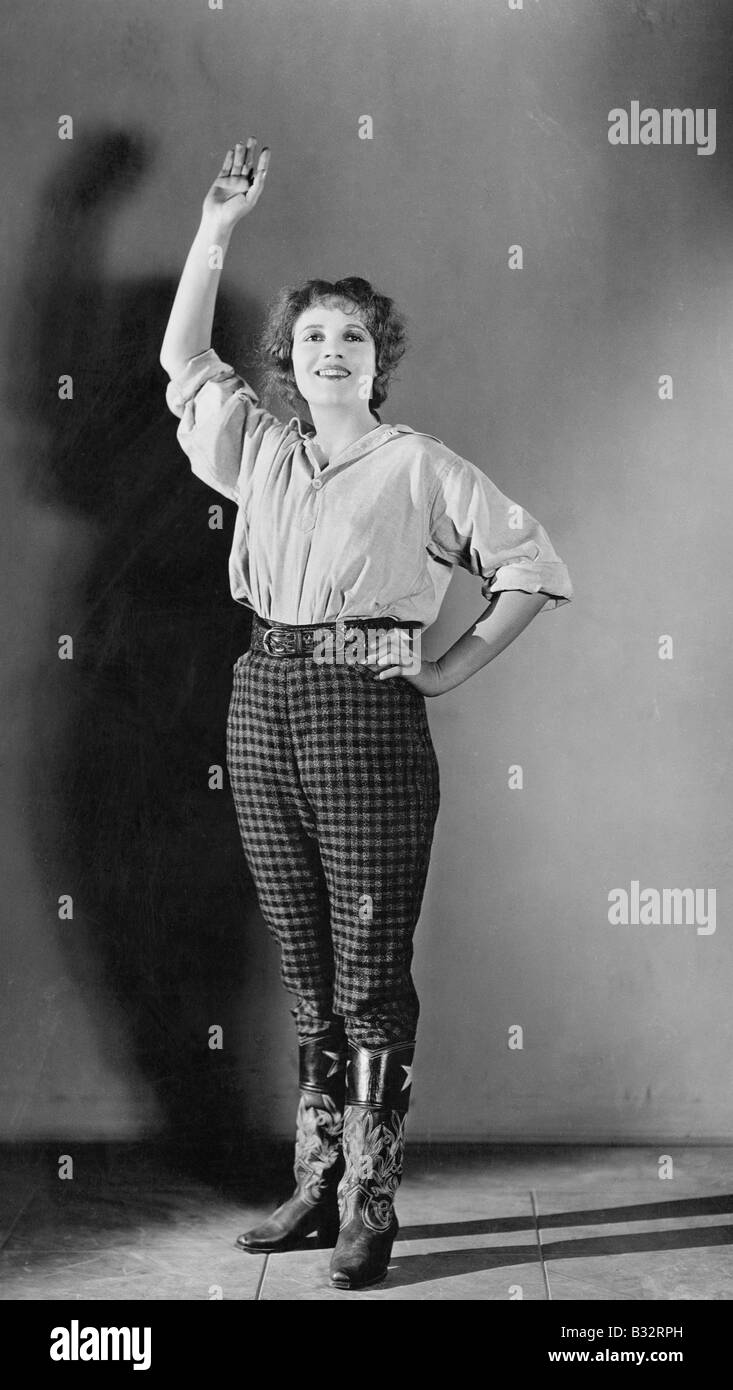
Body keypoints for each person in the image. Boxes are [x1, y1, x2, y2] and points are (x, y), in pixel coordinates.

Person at [160, 138, 573, 1291]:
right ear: (287, 360)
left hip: (365, 710)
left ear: (375, 357)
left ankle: (372, 1202)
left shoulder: (418, 465)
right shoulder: (263, 453)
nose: (329, 349)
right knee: (301, 960)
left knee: (367, 966)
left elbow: (528, 567)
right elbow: (183, 355)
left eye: (350, 335)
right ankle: (316, 1179)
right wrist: (217, 228)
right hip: (259, 697)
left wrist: (441, 669)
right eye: (310, 336)